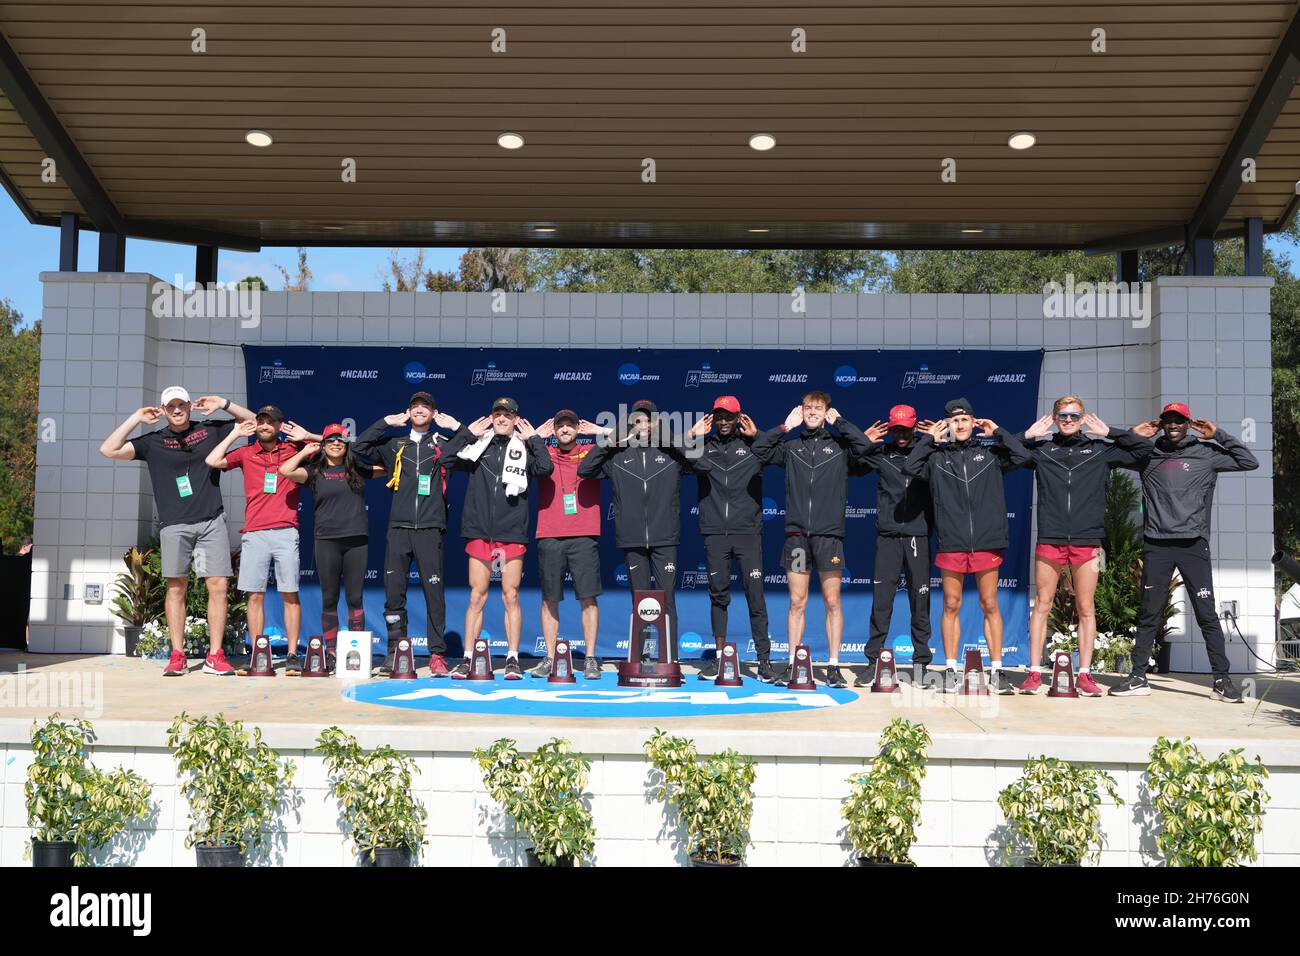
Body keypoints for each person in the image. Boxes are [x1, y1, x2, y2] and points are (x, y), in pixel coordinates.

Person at [99, 387, 255, 676]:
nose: (177, 410)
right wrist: (135, 417)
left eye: (181, 404)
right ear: (163, 410)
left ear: (189, 406)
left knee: (218, 587)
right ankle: (178, 655)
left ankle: (215, 655)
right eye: (171, 406)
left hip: (211, 521)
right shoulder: (152, 442)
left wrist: (223, 403)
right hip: (174, 525)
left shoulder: (210, 431)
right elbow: (108, 449)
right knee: (176, 587)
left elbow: (254, 423)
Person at [1109, 403, 1258, 702]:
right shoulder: (1147, 455)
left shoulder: (1207, 454)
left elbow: (1248, 461)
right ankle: (1138, 677)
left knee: (1206, 615)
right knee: (1149, 614)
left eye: (1179, 421)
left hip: (1193, 545)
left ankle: (1221, 681)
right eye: (1168, 421)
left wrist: (1219, 435)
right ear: (1162, 425)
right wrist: (1132, 434)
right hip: (1157, 545)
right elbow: (1110, 458)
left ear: (1189, 424)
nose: (1173, 425)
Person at [902, 397, 1031, 694]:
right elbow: (909, 467)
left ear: (974, 423)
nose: (960, 425)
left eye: (965, 420)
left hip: (986, 541)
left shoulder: (990, 455)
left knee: (989, 604)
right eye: (954, 421)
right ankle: (949, 668)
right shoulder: (936, 459)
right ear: (947, 425)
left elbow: (1023, 457)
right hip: (952, 541)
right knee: (951, 604)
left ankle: (997, 671)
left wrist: (998, 431)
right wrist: (928, 440)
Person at [1017, 398, 1144, 697]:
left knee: (1086, 607)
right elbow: (1002, 454)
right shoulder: (1042, 450)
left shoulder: (1100, 451)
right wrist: (1028, 435)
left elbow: (1143, 450)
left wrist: (1110, 432)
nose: (1069, 419)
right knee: (1043, 605)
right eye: (1063, 415)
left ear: (1083, 418)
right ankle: (1034, 674)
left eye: (1074, 415)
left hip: (1089, 540)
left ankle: (1085, 675)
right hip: (1051, 537)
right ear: (1054, 418)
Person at [751, 390, 873, 688]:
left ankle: (832, 666)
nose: (813, 412)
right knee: (797, 602)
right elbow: (759, 452)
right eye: (808, 408)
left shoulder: (840, 446)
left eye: (819, 408)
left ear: (827, 412)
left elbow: (867, 449)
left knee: (832, 602)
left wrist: (841, 423)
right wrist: (784, 426)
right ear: (800, 411)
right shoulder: (790, 447)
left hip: (829, 536)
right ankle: (794, 665)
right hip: (797, 537)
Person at [577, 399, 708, 666]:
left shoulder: (671, 453)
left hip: (665, 538)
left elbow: (704, 465)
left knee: (667, 600)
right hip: (632, 538)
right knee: (641, 600)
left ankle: (668, 659)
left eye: (648, 420)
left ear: (656, 423)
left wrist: (671, 437)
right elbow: (585, 469)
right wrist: (611, 440)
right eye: (637, 420)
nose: (643, 425)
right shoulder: (618, 455)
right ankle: (642, 657)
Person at [353, 391, 473, 676]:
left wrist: (455, 426)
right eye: (415, 407)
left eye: (426, 407)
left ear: (434, 413)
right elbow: (358, 448)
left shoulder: (443, 444)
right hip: (399, 528)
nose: (420, 410)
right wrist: (385, 422)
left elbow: (472, 444)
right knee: (394, 594)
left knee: (434, 593)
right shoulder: (394, 444)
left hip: (431, 527)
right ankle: (395, 651)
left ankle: (436, 654)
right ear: (408, 413)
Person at [445, 397, 554, 680]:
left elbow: (546, 468)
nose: (502, 419)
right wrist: (467, 434)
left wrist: (533, 440)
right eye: (498, 415)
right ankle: (468, 658)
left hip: (510, 531)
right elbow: (445, 458)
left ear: (516, 419)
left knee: (510, 595)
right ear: (492, 418)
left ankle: (513, 659)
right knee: (477, 596)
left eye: (508, 415)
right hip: (480, 530)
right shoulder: (478, 447)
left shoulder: (524, 448)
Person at [206, 406, 321, 670]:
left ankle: (292, 654)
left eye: (271, 422)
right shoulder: (246, 453)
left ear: (280, 426)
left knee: (289, 593)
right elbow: (213, 461)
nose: (265, 425)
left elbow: (337, 447)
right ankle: (260, 653)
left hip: (285, 530)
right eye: (261, 421)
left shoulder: (293, 450)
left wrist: (307, 436)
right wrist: (234, 434)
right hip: (255, 532)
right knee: (254, 595)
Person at [684, 396, 778, 683]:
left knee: (755, 597)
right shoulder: (703, 448)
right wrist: (690, 436)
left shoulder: (753, 448)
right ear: (713, 418)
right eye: (719, 417)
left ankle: (764, 661)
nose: (724, 422)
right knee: (718, 596)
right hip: (714, 533)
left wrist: (758, 436)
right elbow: (677, 457)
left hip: (747, 533)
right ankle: (721, 657)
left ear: (739, 418)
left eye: (729, 417)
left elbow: (778, 454)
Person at [280, 423, 386, 666]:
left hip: (357, 540)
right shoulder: (314, 471)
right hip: (327, 541)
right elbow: (286, 470)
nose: (336, 443)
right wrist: (305, 451)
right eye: (330, 441)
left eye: (341, 440)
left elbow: (388, 468)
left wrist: (359, 449)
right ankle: (331, 651)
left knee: (355, 598)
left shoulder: (357, 469)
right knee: (329, 598)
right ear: (323, 446)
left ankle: (356, 652)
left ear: (347, 445)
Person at [853, 404, 934, 687]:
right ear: (890, 428)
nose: (900, 434)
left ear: (914, 428)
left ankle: (922, 662)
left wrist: (930, 440)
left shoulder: (928, 454)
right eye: (896, 428)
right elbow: (850, 467)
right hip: (887, 536)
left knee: (919, 601)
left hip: (917, 536)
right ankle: (873, 661)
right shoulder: (881, 454)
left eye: (906, 429)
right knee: (881, 602)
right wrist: (864, 442)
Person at [530, 409, 609, 680]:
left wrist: (598, 432)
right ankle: (550, 658)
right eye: (560, 426)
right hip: (549, 534)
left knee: (588, 597)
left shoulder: (591, 451)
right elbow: (513, 451)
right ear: (553, 430)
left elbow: (625, 439)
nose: (565, 429)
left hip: (584, 533)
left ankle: (589, 658)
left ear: (578, 428)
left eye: (570, 425)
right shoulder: (542, 453)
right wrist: (534, 437)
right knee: (550, 598)